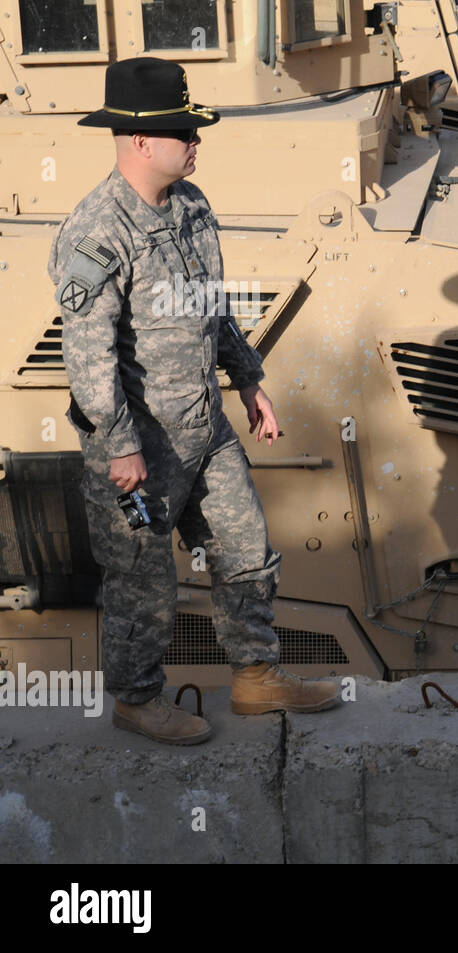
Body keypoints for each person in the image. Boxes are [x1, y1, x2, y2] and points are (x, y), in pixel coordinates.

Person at [50, 57, 340, 745]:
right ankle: (137, 699)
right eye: (183, 131)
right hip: (141, 450)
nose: (196, 142)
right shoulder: (95, 233)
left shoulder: (192, 207)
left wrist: (246, 379)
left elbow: (211, 306)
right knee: (141, 582)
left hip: (203, 429)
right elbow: (87, 357)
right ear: (140, 142)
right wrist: (118, 445)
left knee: (247, 548)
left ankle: (255, 676)